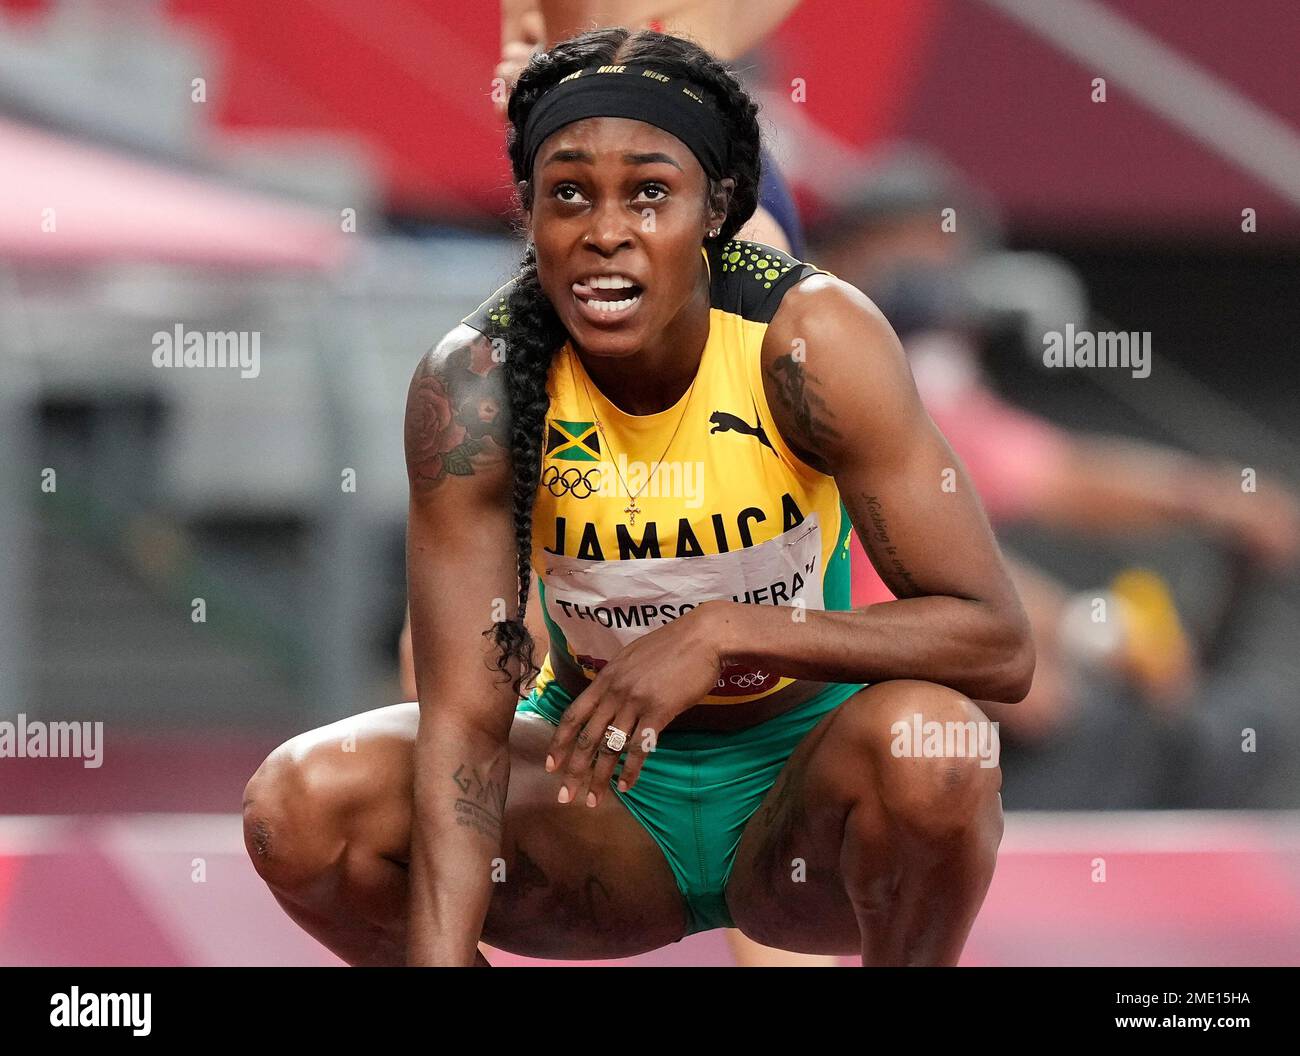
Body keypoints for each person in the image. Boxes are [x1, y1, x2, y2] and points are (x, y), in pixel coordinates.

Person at [244, 28, 1032, 967]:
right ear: (529, 215)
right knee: (298, 804)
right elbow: (462, 718)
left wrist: (727, 632)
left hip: (798, 803)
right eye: (567, 194)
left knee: (942, 746)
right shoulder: (477, 386)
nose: (604, 230)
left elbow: (997, 644)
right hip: (596, 809)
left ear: (718, 210)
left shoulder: (811, 339)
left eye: (649, 194)